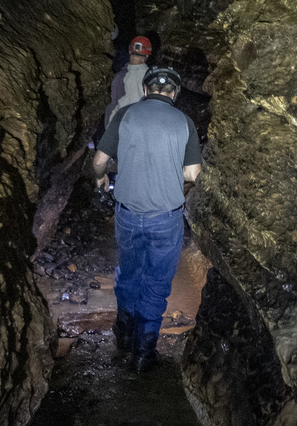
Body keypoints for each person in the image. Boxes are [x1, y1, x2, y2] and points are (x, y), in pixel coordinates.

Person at [92, 66, 202, 371]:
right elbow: (192, 174)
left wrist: (101, 179)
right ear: (174, 94)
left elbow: (99, 161)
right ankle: (143, 351)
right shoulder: (184, 122)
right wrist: (177, 190)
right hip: (165, 220)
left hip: (128, 215)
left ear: (145, 90)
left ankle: (123, 335)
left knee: (129, 274)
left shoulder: (125, 114)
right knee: (155, 283)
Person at [104, 36, 152, 126]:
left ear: (130, 51)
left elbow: (111, 108)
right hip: (141, 129)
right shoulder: (152, 77)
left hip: (119, 129)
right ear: (147, 55)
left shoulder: (118, 78)